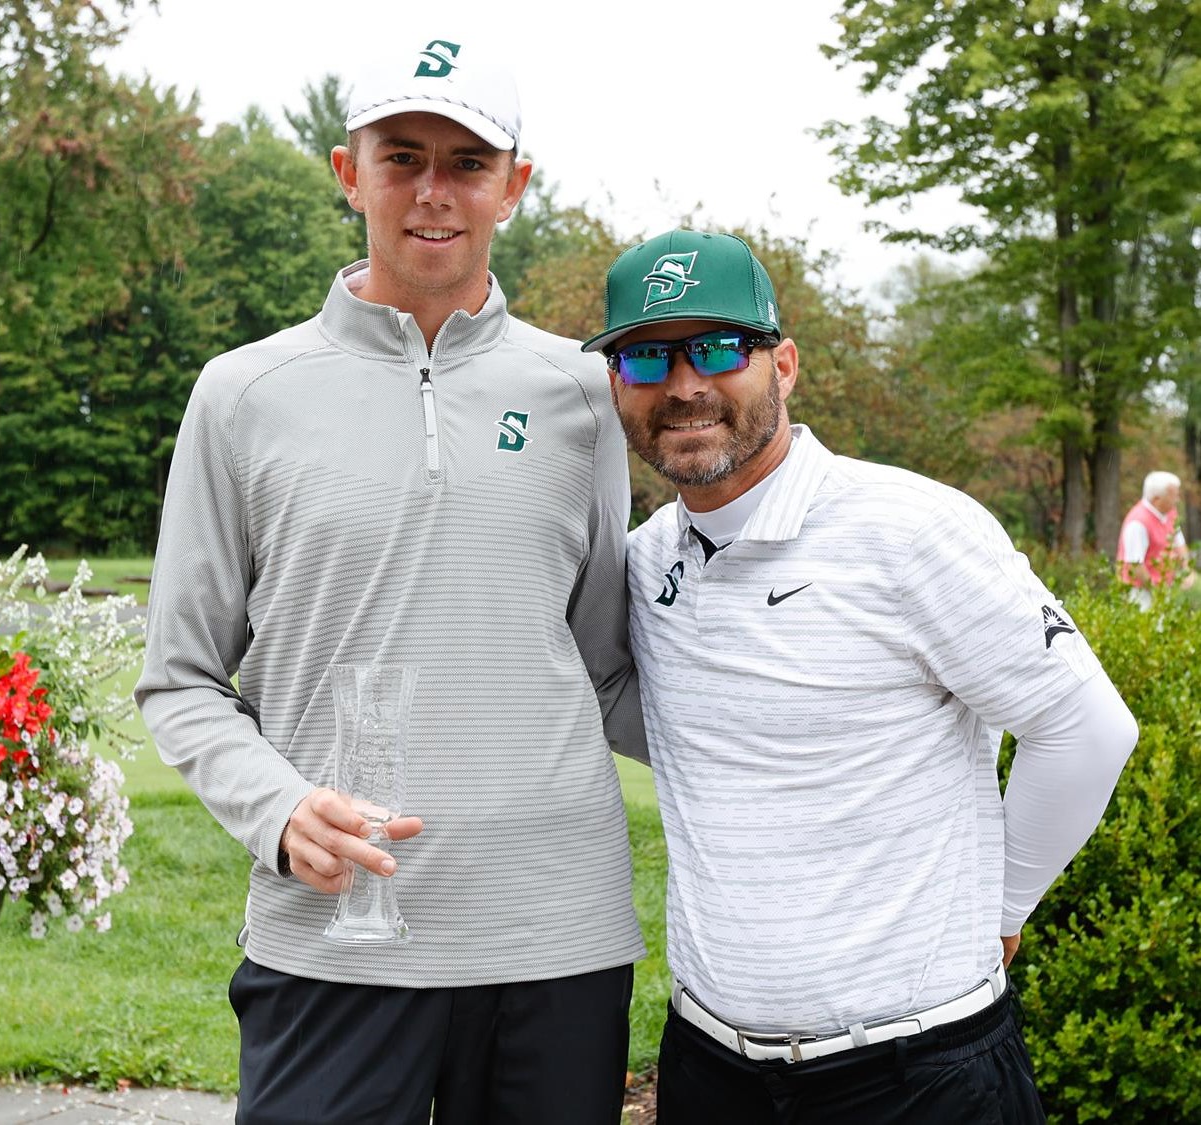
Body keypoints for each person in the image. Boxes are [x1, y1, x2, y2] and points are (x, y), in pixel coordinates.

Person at [136, 38, 646, 1125]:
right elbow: (179, 678)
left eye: (468, 163)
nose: (432, 190)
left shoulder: (582, 394)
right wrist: (277, 810)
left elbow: (609, 664)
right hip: (334, 940)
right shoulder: (243, 394)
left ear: (516, 184)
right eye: (400, 156)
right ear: (345, 171)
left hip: (556, 942)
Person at [581, 229, 1138, 1124]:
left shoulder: (908, 528)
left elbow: (1086, 728)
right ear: (617, 387)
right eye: (646, 358)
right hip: (708, 1067)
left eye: (719, 348)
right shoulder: (645, 563)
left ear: (784, 363)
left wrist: (1001, 907)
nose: (684, 385)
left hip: (917, 1076)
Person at [1116, 470, 1194, 609]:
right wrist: (1157, 591)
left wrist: (1187, 569)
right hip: (1139, 593)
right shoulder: (1138, 522)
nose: (1177, 500)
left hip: (1162, 588)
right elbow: (1135, 565)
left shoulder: (1170, 512)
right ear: (1157, 499)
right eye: (1173, 496)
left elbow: (1179, 542)